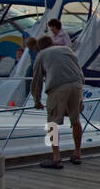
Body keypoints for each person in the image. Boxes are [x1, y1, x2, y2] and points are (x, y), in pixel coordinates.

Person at [30, 35, 85, 168]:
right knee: (75, 120)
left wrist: (37, 100)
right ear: (53, 42)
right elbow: (79, 70)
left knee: (52, 123)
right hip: (77, 84)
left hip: (58, 87)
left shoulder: (41, 55)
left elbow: (36, 80)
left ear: (39, 47)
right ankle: (77, 154)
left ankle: (56, 157)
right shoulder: (67, 49)